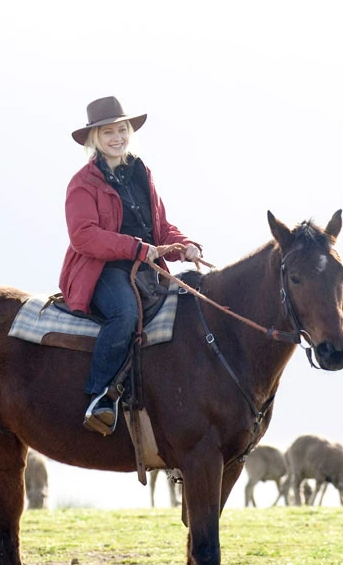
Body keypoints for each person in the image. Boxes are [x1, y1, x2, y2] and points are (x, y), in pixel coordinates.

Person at [59, 96, 202, 434]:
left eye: (121, 130)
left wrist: (185, 245)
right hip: (102, 270)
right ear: (95, 138)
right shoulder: (83, 183)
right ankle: (100, 396)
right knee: (125, 314)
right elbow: (84, 236)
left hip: (146, 266)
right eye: (108, 132)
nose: (116, 137)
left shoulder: (141, 173)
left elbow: (159, 226)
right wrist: (136, 248)